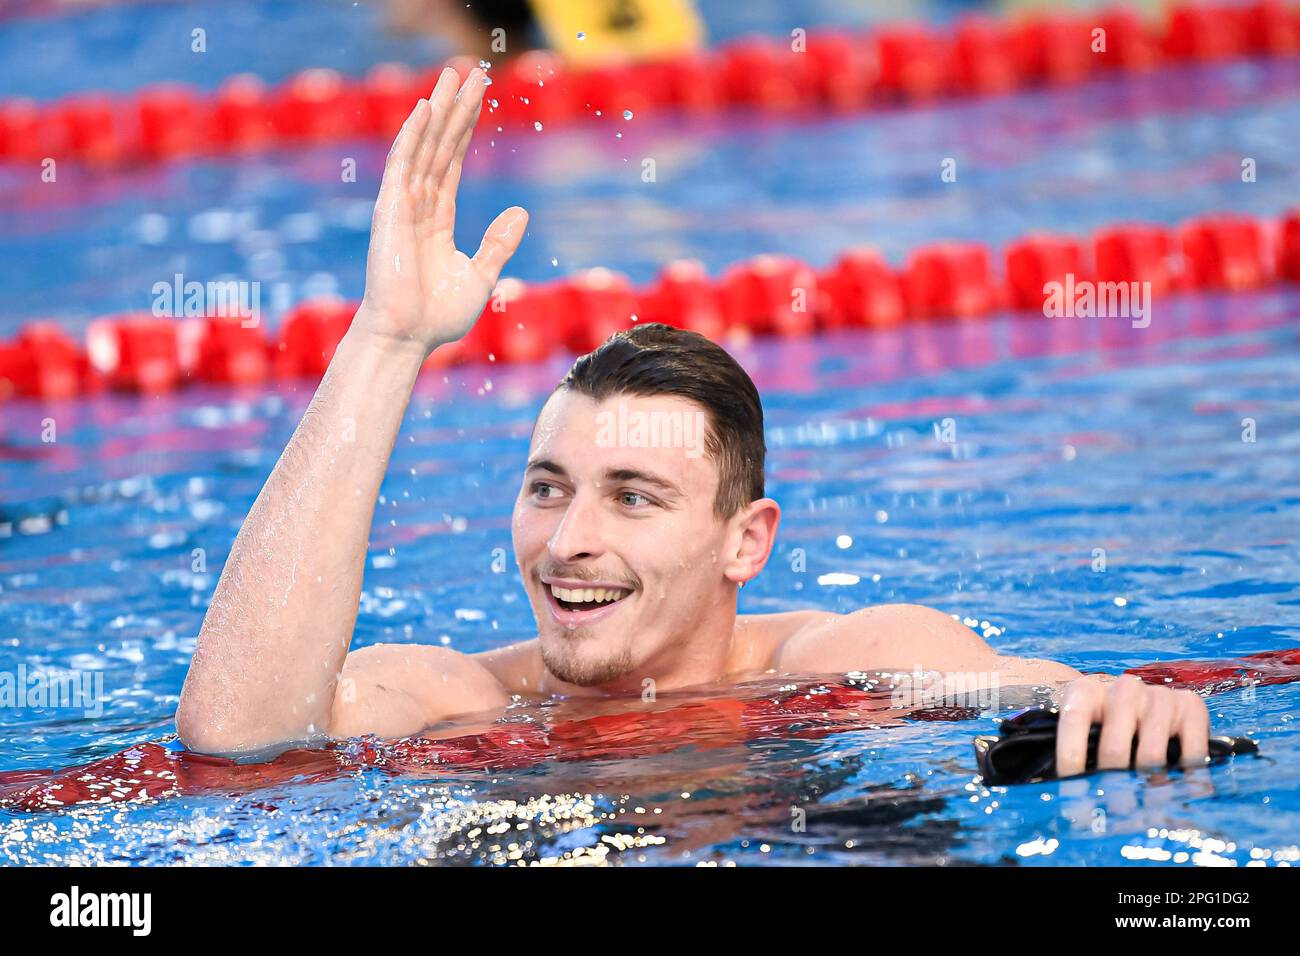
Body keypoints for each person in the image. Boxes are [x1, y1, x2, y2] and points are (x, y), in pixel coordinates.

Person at [175, 67, 1213, 781]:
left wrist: (1130, 704)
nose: (570, 538)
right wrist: (387, 339)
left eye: (633, 496)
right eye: (547, 487)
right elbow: (236, 739)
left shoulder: (849, 659)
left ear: (744, 541)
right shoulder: (459, 698)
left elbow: (1065, 698)